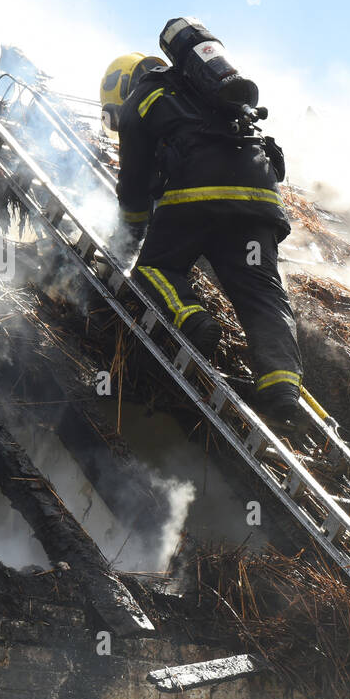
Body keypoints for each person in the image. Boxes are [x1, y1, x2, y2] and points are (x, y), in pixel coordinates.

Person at [99, 37, 304, 429]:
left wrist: (129, 236)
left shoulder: (144, 97)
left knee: (154, 270)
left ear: (121, 87)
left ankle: (193, 321)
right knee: (261, 294)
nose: (114, 122)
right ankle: (282, 390)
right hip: (257, 201)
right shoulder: (206, 94)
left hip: (199, 194)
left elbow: (134, 183)